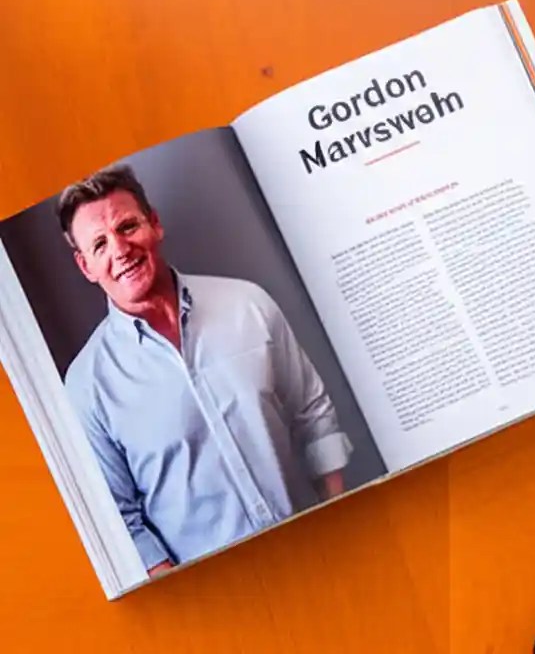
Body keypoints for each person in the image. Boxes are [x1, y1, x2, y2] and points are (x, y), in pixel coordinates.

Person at [58, 163, 353, 576]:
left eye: (127, 227)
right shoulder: (86, 384)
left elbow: (313, 414)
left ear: (155, 224)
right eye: (100, 244)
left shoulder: (248, 303)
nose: (120, 250)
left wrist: (339, 523)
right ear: (85, 266)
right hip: (222, 598)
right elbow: (120, 520)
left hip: (325, 554)